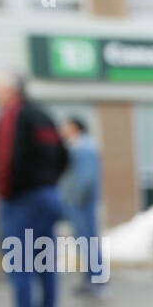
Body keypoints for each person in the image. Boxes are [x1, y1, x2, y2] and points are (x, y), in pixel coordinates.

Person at [0, 68, 68, 307]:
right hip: (47, 196)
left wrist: (5, 194)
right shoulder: (44, 115)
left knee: (19, 263)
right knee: (45, 262)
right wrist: (48, 183)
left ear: (10, 90)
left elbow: (7, 158)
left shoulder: (14, 114)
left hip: (22, 200)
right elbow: (63, 156)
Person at [59, 116, 105, 297]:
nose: (62, 130)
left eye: (66, 126)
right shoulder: (76, 146)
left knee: (87, 242)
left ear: (75, 128)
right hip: (76, 202)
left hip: (81, 203)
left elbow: (86, 178)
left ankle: (97, 281)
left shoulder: (83, 147)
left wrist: (75, 199)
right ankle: (90, 280)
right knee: (83, 242)